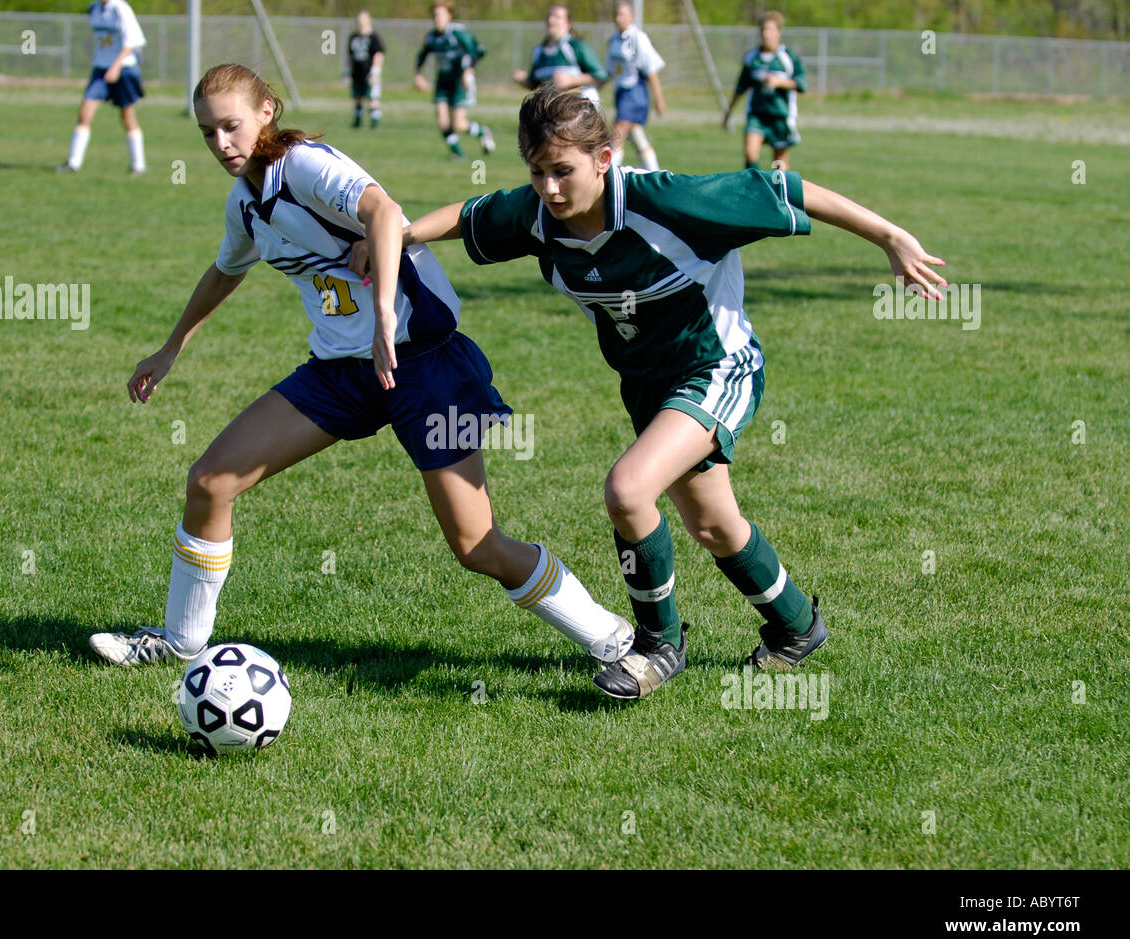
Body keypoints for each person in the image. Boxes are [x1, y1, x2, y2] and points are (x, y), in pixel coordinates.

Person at [350, 88, 946, 699]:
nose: (550, 188)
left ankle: (657, 647)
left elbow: (788, 190)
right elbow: (468, 217)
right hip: (646, 386)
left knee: (628, 489)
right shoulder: (536, 214)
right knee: (713, 524)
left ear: (604, 158)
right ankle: (796, 627)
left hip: (716, 368)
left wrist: (890, 237)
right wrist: (393, 237)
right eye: (537, 172)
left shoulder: (666, 201)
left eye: (564, 172)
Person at [88, 66, 635, 684]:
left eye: (231, 126)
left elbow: (383, 209)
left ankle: (610, 635)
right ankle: (181, 643)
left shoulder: (305, 165)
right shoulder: (247, 201)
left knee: (475, 545)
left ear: (267, 110)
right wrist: (169, 348)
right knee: (211, 481)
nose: (221, 144)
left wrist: (381, 316)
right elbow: (224, 271)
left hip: (423, 365)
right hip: (341, 373)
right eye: (207, 133)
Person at [57, 0, 147, 175]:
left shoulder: (121, 8)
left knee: (127, 116)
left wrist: (116, 66)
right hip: (100, 68)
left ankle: (138, 165)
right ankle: (73, 164)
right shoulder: (94, 8)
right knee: (85, 111)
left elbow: (132, 42)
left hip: (123, 69)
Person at [721, 10, 806, 171]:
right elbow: (740, 88)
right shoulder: (752, 58)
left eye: (770, 29)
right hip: (757, 115)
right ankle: (754, 191)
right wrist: (728, 113)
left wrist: (780, 82)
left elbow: (801, 84)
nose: (766, 34)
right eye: (763, 30)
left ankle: (779, 194)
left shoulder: (787, 58)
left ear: (778, 32)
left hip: (780, 116)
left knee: (779, 164)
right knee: (750, 153)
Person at [413, 2, 495, 159]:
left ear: (449, 16)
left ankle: (481, 132)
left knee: (458, 124)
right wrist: (418, 75)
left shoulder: (458, 33)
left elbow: (478, 50)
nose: (438, 19)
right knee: (442, 121)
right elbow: (422, 55)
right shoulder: (433, 37)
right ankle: (457, 153)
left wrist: (467, 72)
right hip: (442, 83)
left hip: (459, 83)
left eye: (441, 15)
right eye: (435, 15)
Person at [602, 0, 666, 170]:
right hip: (621, 93)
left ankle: (609, 174)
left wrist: (659, 99)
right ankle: (655, 174)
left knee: (617, 134)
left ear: (631, 16)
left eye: (622, 14)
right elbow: (609, 72)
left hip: (635, 92)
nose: (618, 18)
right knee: (637, 137)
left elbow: (651, 70)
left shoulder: (638, 38)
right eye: (616, 14)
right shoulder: (614, 40)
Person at [512, 3, 607, 106]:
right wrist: (525, 80)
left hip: (579, 109)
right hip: (551, 110)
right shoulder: (539, 51)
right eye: (549, 16)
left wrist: (572, 80)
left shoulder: (576, 46)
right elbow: (537, 86)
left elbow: (600, 76)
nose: (551, 20)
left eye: (557, 17)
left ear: (568, 23)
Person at [347, 11, 385, 130]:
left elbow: (378, 54)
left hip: (370, 73)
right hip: (357, 73)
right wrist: (348, 70)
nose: (361, 22)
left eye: (364, 19)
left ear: (369, 20)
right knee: (358, 98)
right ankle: (357, 122)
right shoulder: (353, 37)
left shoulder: (373, 37)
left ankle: (375, 123)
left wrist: (375, 71)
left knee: (373, 98)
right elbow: (350, 55)